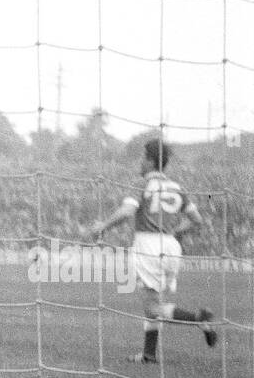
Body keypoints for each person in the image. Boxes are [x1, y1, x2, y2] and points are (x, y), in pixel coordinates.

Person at [87, 136, 217, 364]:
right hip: (171, 246)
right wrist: (176, 233)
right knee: (155, 303)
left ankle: (197, 318)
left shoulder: (142, 184)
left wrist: (102, 227)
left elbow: (127, 211)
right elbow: (197, 220)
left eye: (142, 158)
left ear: (149, 160)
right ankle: (149, 353)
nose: (140, 163)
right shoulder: (177, 188)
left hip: (148, 245)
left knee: (153, 306)